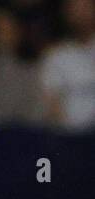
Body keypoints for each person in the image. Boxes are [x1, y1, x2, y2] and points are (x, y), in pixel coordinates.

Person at [40, 0, 95, 130]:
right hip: (70, 137)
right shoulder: (56, 56)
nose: (80, 14)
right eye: (74, 8)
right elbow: (51, 100)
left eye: (85, 7)